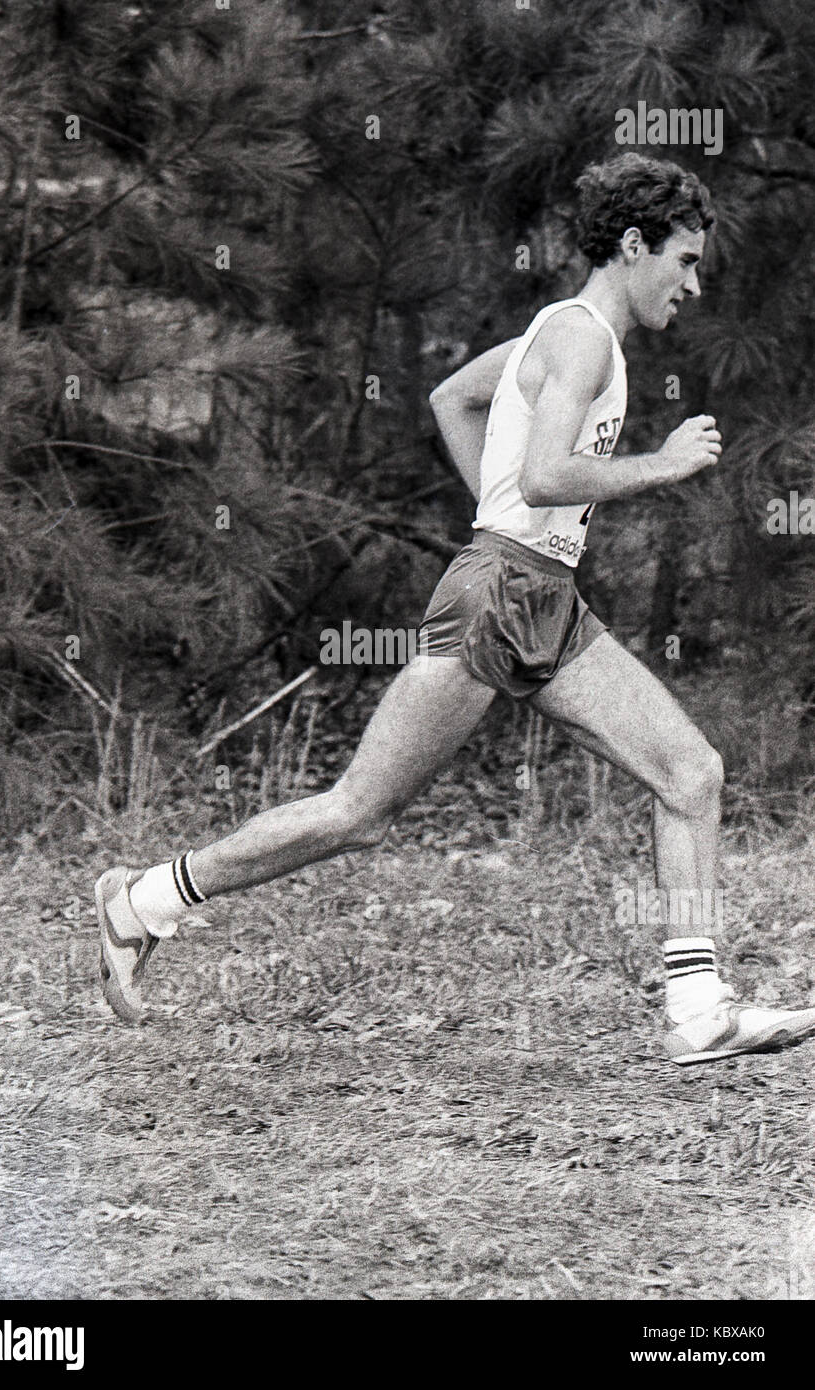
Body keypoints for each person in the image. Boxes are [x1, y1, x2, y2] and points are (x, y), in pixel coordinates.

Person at [96, 152, 815, 1065]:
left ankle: (700, 1009)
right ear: (635, 246)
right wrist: (658, 465)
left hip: (541, 594)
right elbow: (548, 473)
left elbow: (454, 397)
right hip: (496, 598)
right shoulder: (582, 337)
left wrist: (504, 522)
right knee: (360, 811)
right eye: (684, 259)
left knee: (691, 774)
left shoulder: (562, 334)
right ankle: (144, 900)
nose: (694, 284)